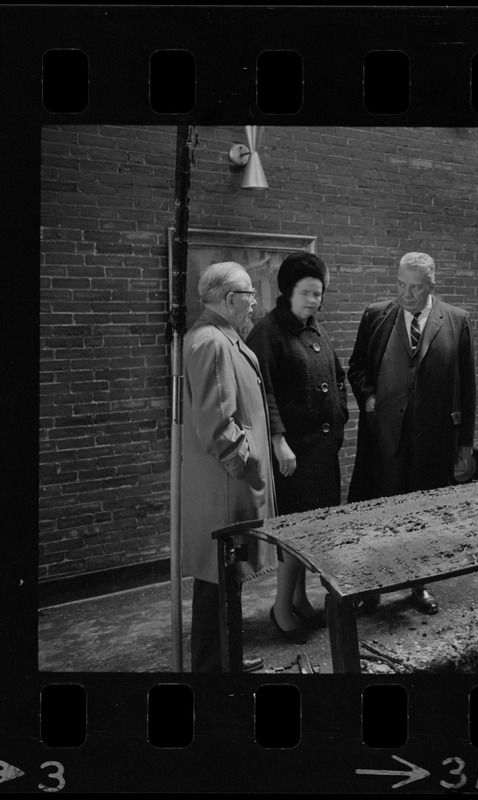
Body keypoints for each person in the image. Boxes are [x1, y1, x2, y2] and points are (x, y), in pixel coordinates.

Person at [347, 251, 476, 615]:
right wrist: (368, 396)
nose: (406, 294)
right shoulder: (376, 315)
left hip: (434, 440)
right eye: (400, 284)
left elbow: (467, 385)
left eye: (415, 287)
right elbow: (356, 368)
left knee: (422, 517)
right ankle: (372, 586)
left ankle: (419, 585)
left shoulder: (456, 320)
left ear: (431, 284)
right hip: (385, 439)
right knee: (379, 515)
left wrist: (465, 442)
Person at [245, 252, 349, 642]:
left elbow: (336, 376)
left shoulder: (313, 328)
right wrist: (278, 440)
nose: (313, 301)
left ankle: (300, 600)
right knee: (295, 533)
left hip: (320, 452)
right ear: (287, 291)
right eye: (307, 293)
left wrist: (340, 413)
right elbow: (263, 392)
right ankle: (281, 608)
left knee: (311, 534)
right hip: (294, 456)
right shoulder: (268, 332)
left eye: (318, 293)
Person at [181, 261, 277, 673]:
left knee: (225, 576)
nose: (255, 301)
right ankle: (213, 666)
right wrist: (246, 460)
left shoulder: (224, 338)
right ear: (228, 299)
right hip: (225, 484)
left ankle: (226, 659)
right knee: (216, 577)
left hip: (230, 482)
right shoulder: (212, 342)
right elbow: (217, 422)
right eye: (249, 294)